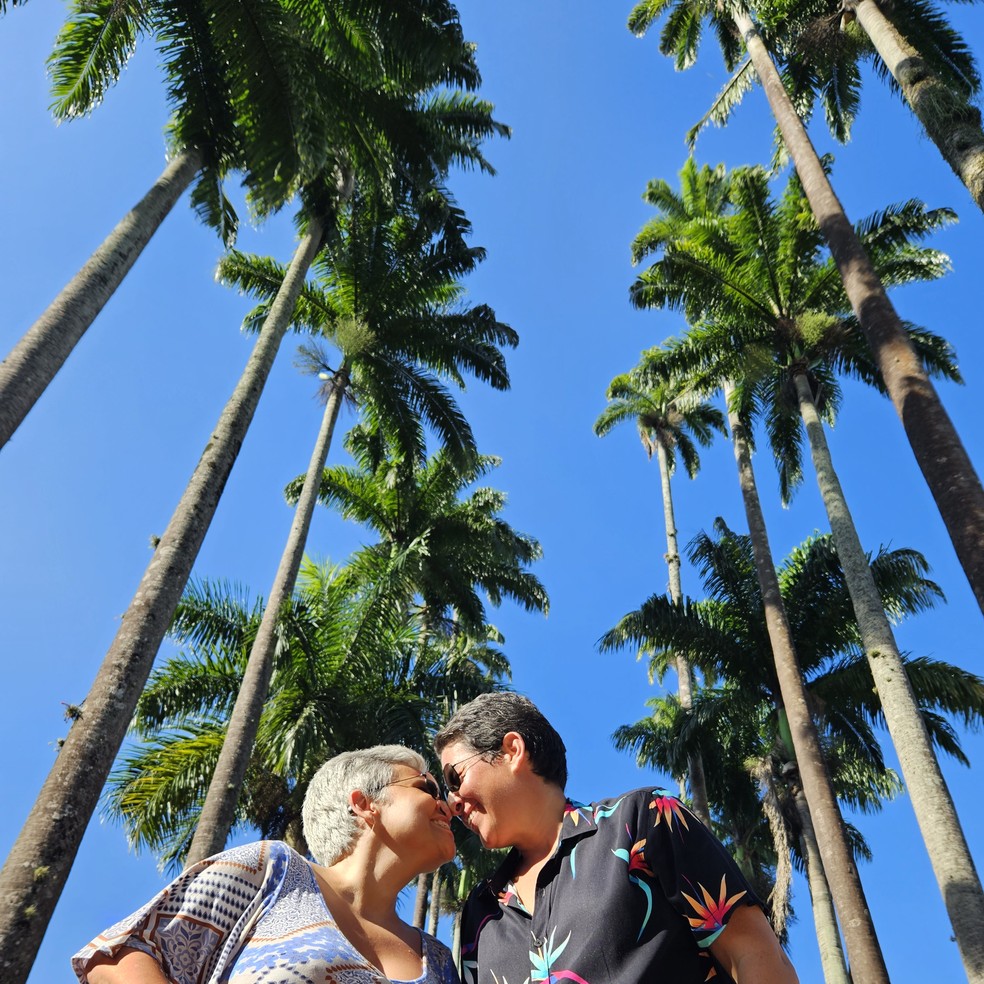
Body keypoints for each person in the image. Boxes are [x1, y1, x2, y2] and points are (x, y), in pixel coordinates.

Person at [434, 693, 799, 984]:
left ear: (512, 750)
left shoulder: (643, 820)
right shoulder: (480, 913)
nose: (451, 802)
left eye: (454, 777)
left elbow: (752, 953)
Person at [73, 745, 459, 984]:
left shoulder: (440, 962)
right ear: (363, 803)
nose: (449, 805)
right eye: (426, 788)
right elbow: (118, 957)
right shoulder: (272, 871)